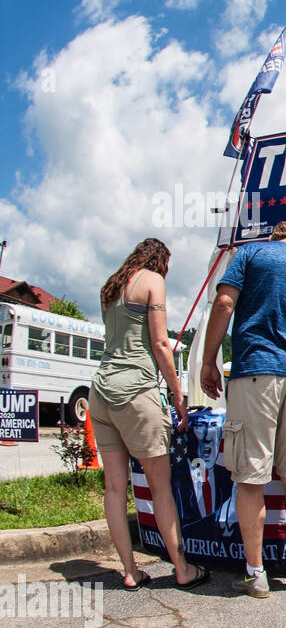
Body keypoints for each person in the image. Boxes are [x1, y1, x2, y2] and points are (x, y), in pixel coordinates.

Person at [200, 221, 286, 598]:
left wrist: (210, 359)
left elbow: (225, 302)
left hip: (255, 372)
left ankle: (255, 572)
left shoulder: (251, 253)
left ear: (275, 235)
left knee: (251, 478)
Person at [90, 239, 207, 592]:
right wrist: (178, 396)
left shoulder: (110, 287)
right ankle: (183, 568)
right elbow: (159, 344)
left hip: (101, 391)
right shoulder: (153, 282)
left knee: (114, 488)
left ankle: (129, 571)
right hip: (136, 394)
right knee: (160, 488)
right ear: (162, 262)